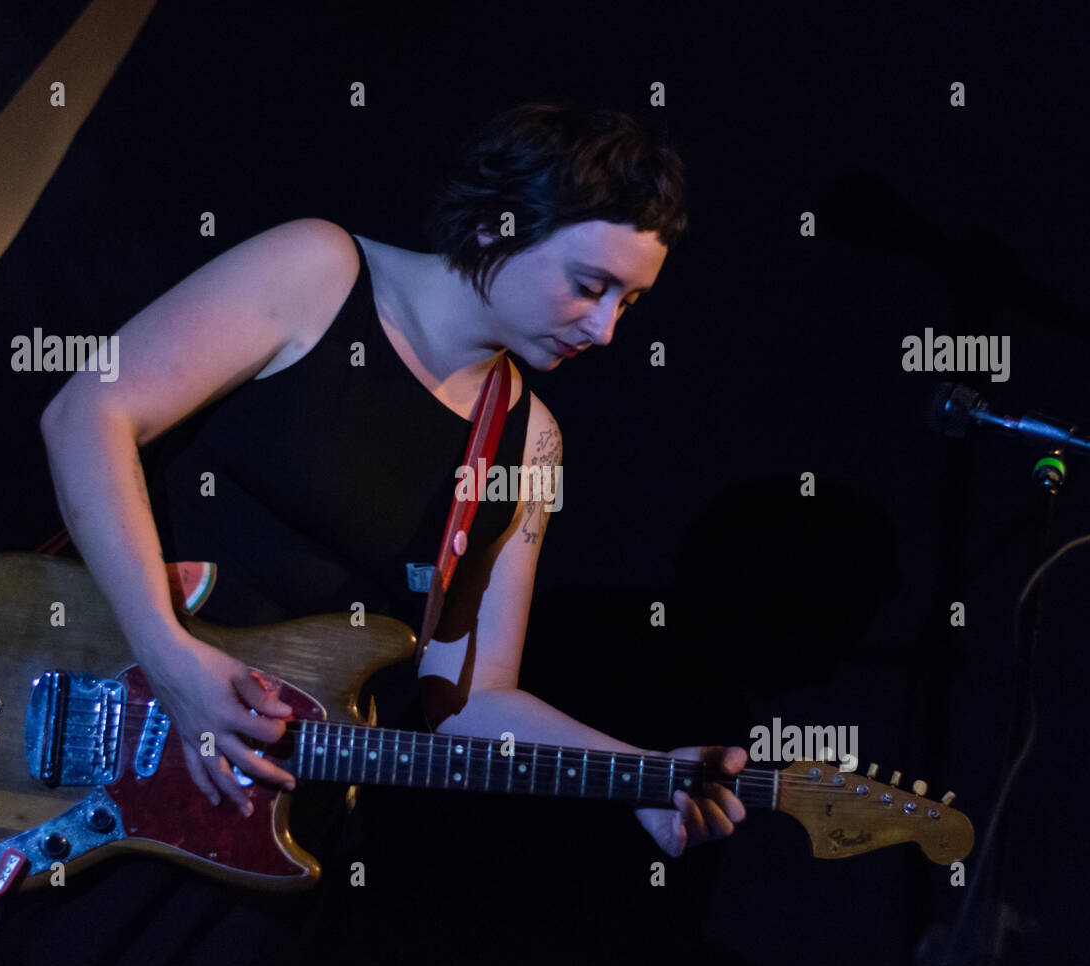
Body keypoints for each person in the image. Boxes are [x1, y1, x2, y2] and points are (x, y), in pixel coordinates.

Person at [40, 101, 746, 899]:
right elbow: (87, 415)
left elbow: (468, 702)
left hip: (253, 825)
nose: (607, 329)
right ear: (497, 226)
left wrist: (641, 772)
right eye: (591, 286)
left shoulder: (531, 441)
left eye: (629, 303)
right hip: (86, 714)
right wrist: (172, 659)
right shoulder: (318, 269)